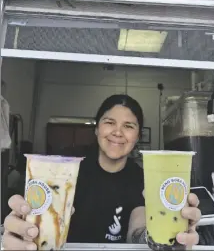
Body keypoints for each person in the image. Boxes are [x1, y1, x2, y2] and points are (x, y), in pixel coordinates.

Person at [2, 94, 201, 250]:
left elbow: (137, 230)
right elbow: (35, 207)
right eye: (109, 122)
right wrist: (21, 229)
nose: (117, 132)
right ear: (97, 129)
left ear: (137, 136)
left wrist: (163, 239)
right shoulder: (65, 166)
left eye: (128, 126)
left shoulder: (141, 178)